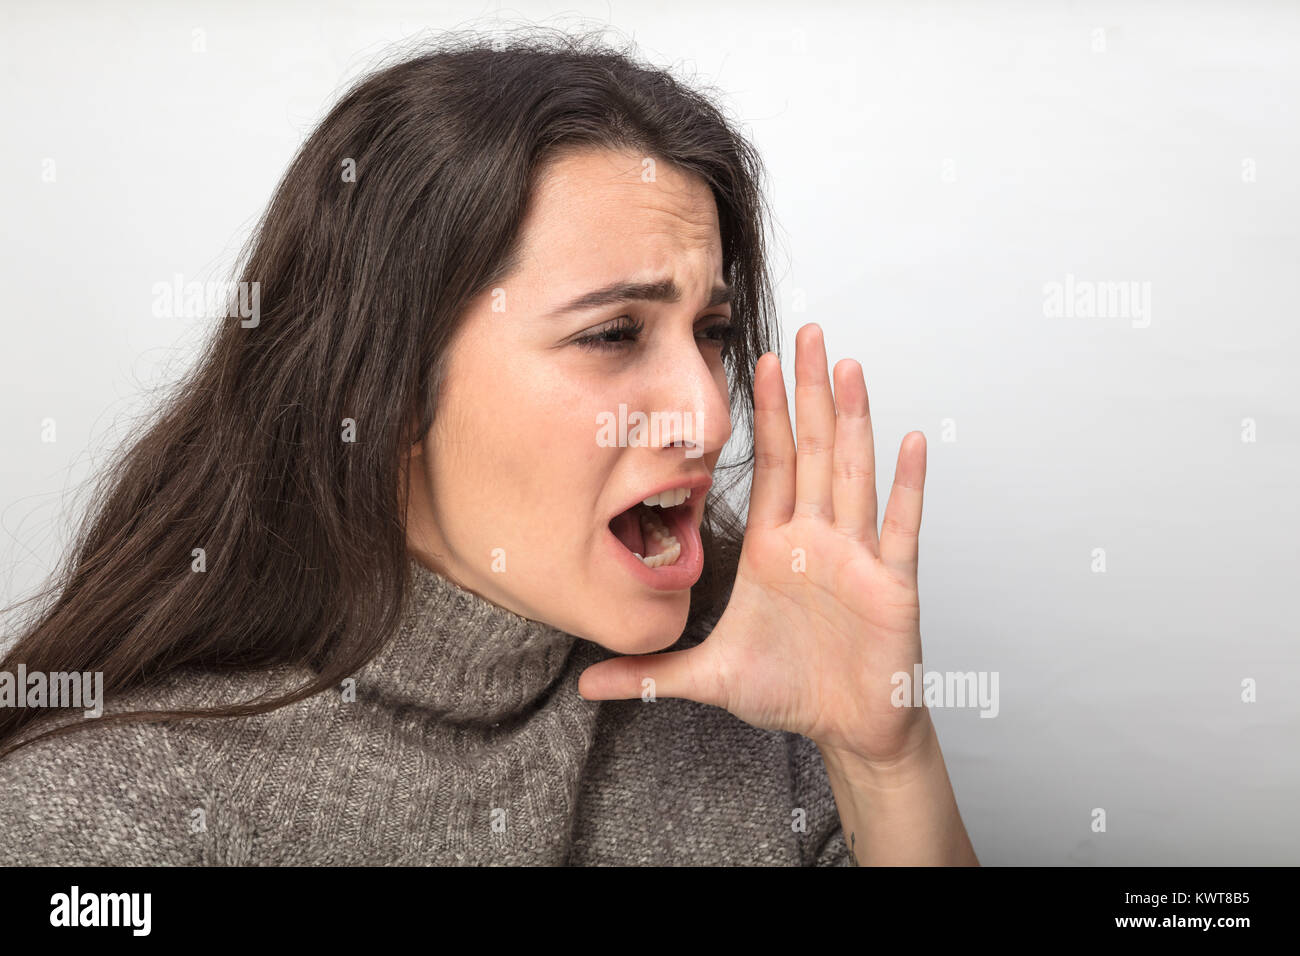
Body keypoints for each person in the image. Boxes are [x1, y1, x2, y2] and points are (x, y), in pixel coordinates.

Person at [0, 30, 977, 866]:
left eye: (712, 331)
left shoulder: (766, 721)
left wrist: (883, 762)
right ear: (383, 390)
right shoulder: (112, 815)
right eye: (612, 334)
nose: (710, 417)